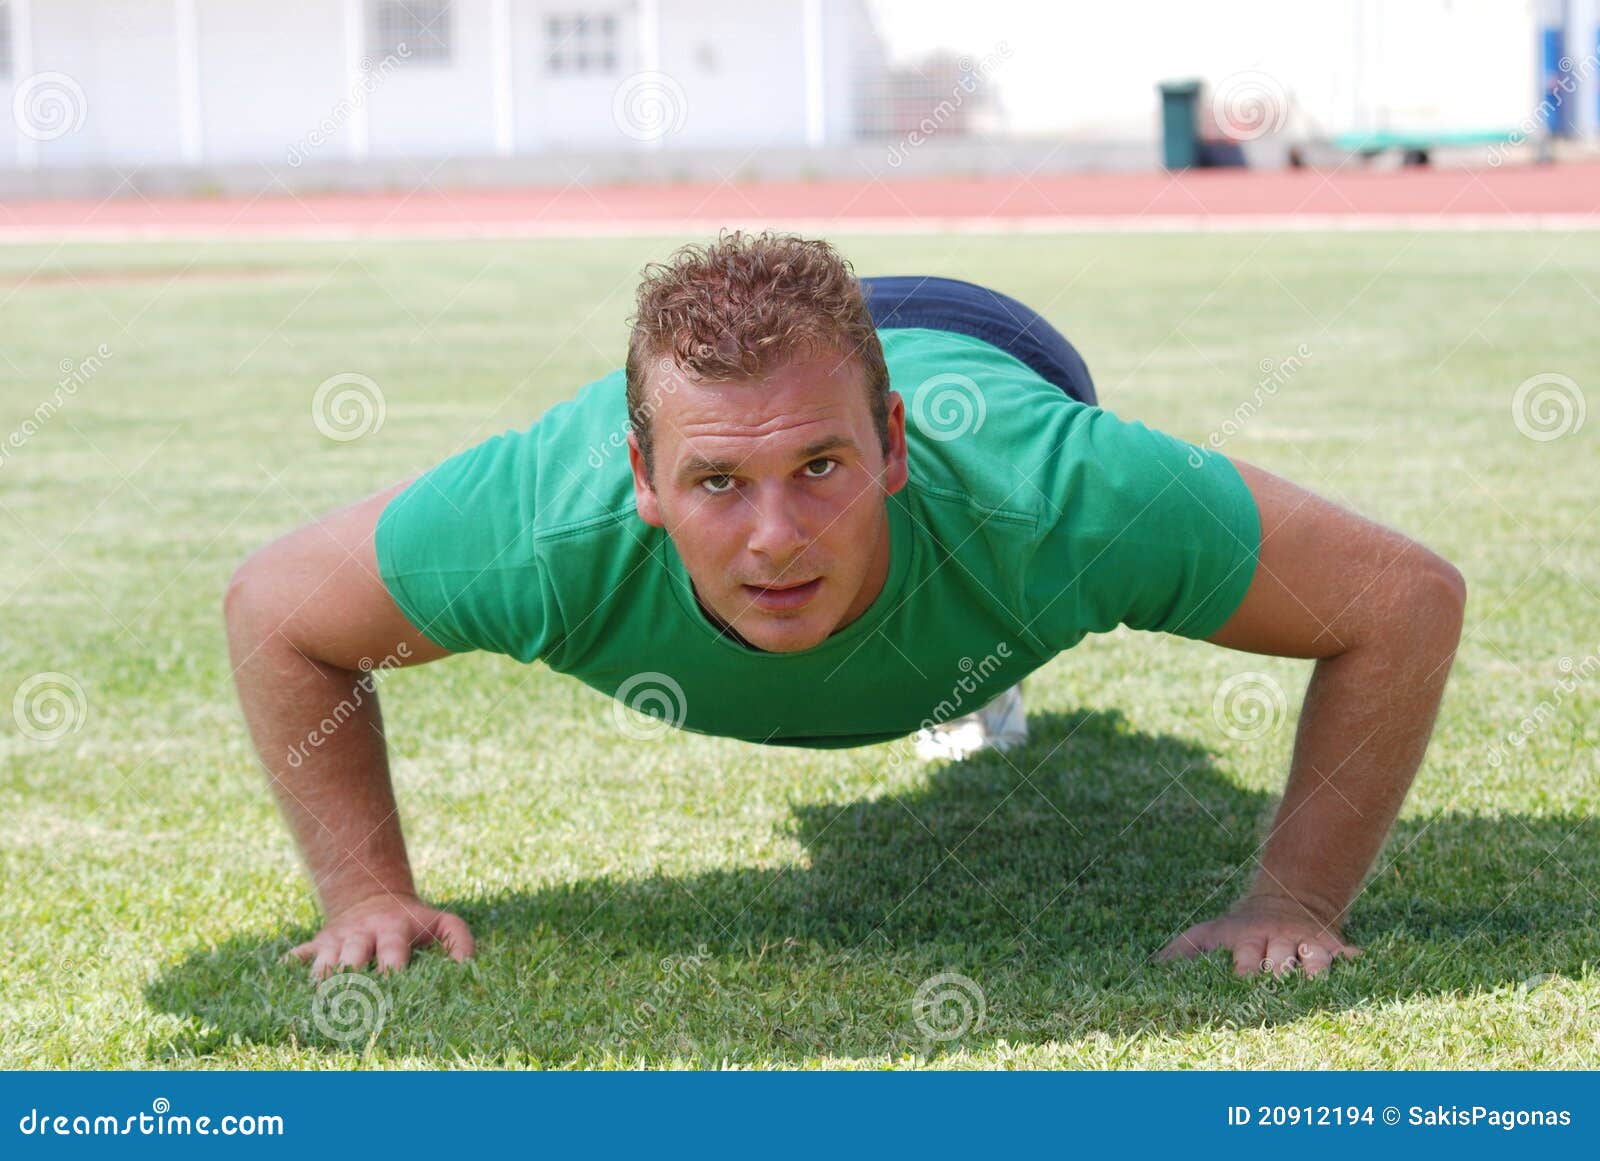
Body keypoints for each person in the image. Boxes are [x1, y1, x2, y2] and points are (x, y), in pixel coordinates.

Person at [224, 231, 1465, 983]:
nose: (773, 538)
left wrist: (1291, 904)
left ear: (890, 449)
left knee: (982, 586)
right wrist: (365, 894)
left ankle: (980, 650)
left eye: (819, 468)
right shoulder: (543, 525)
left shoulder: (1058, 495)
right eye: (715, 481)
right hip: (771, 392)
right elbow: (275, 611)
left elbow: (1401, 599)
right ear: (644, 480)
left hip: (986, 347)